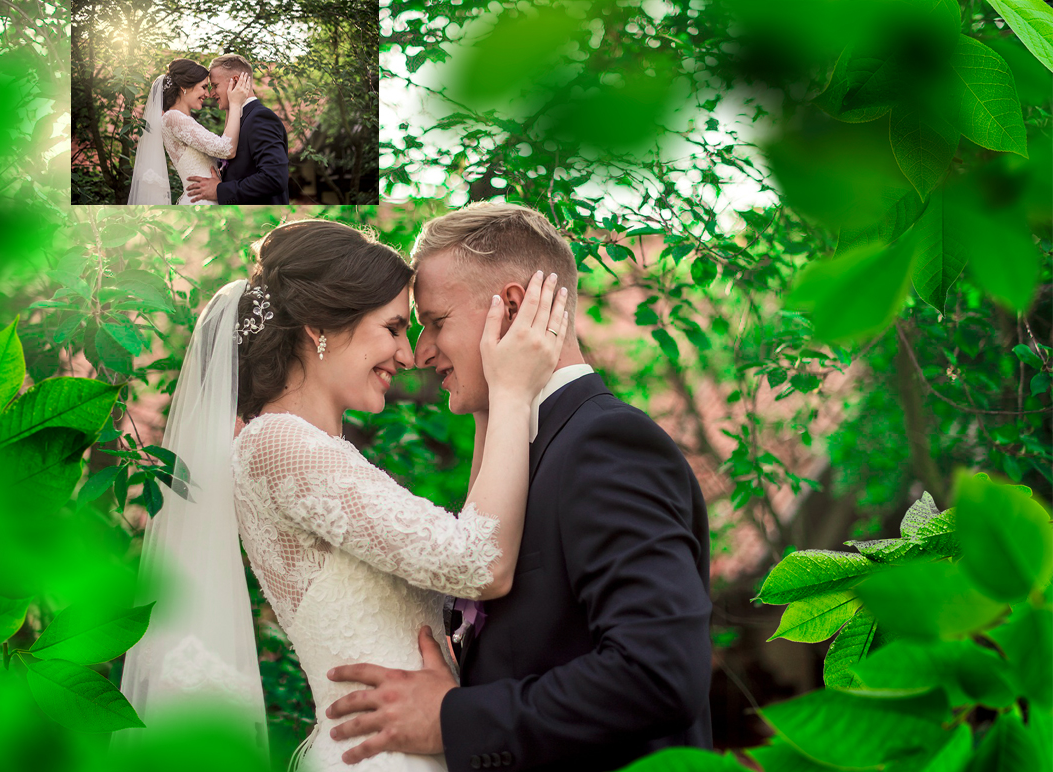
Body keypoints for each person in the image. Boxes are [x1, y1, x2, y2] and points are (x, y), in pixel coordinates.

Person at [118, 219, 570, 771]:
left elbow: (473, 535)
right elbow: (479, 563)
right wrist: (512, 391)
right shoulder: (279, 445)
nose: (408, 356)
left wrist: (484, 395)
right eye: (394, 328)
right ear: (320, 329)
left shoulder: (313, 449)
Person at [324, 203, 714, 771]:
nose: (421, 352)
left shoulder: (606, 443)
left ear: (510, 307)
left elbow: (659, 673)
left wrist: (453, 718)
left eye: (435, 321)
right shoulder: (523, 451)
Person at [127, 58, 252, 205]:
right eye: (204, 87)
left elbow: (224, 143)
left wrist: (229, 106)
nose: (208, 94)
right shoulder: (173, 118)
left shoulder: (184, 120)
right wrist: (235, 103)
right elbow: (226, 149)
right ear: (184, 86)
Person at [184, 54, 291, 205]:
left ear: (235, 81)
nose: (211, 93)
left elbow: (274, 178)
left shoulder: (260, 118)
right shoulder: (239, 119)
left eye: (215, 85)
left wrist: (220, 190)